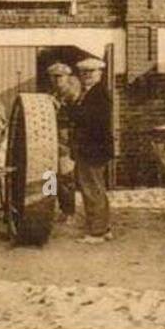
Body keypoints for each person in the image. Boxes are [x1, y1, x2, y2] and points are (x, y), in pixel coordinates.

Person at [67, 56, 113, 243]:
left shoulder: (98, 94)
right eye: (84, 73)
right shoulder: (92, 93)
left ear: (100, 74)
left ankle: (97, 233)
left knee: (91, 190)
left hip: (92, 148)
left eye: (91, 72)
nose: (86, 76)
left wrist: (72, 109)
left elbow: (90, 120)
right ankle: (104, 228)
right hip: (93, 148)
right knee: (97, 189)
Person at [46, 62, 82, 222]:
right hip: (52, 138)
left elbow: (74, 117)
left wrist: (57, 107)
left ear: (67, 77)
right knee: (49, 175)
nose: (56, 80)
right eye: (53, 77)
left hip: (66, 140)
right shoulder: (54, 93)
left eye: (59, 76)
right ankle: (49, 209)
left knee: (65, 176)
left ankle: (68, 212)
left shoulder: (73, 93)